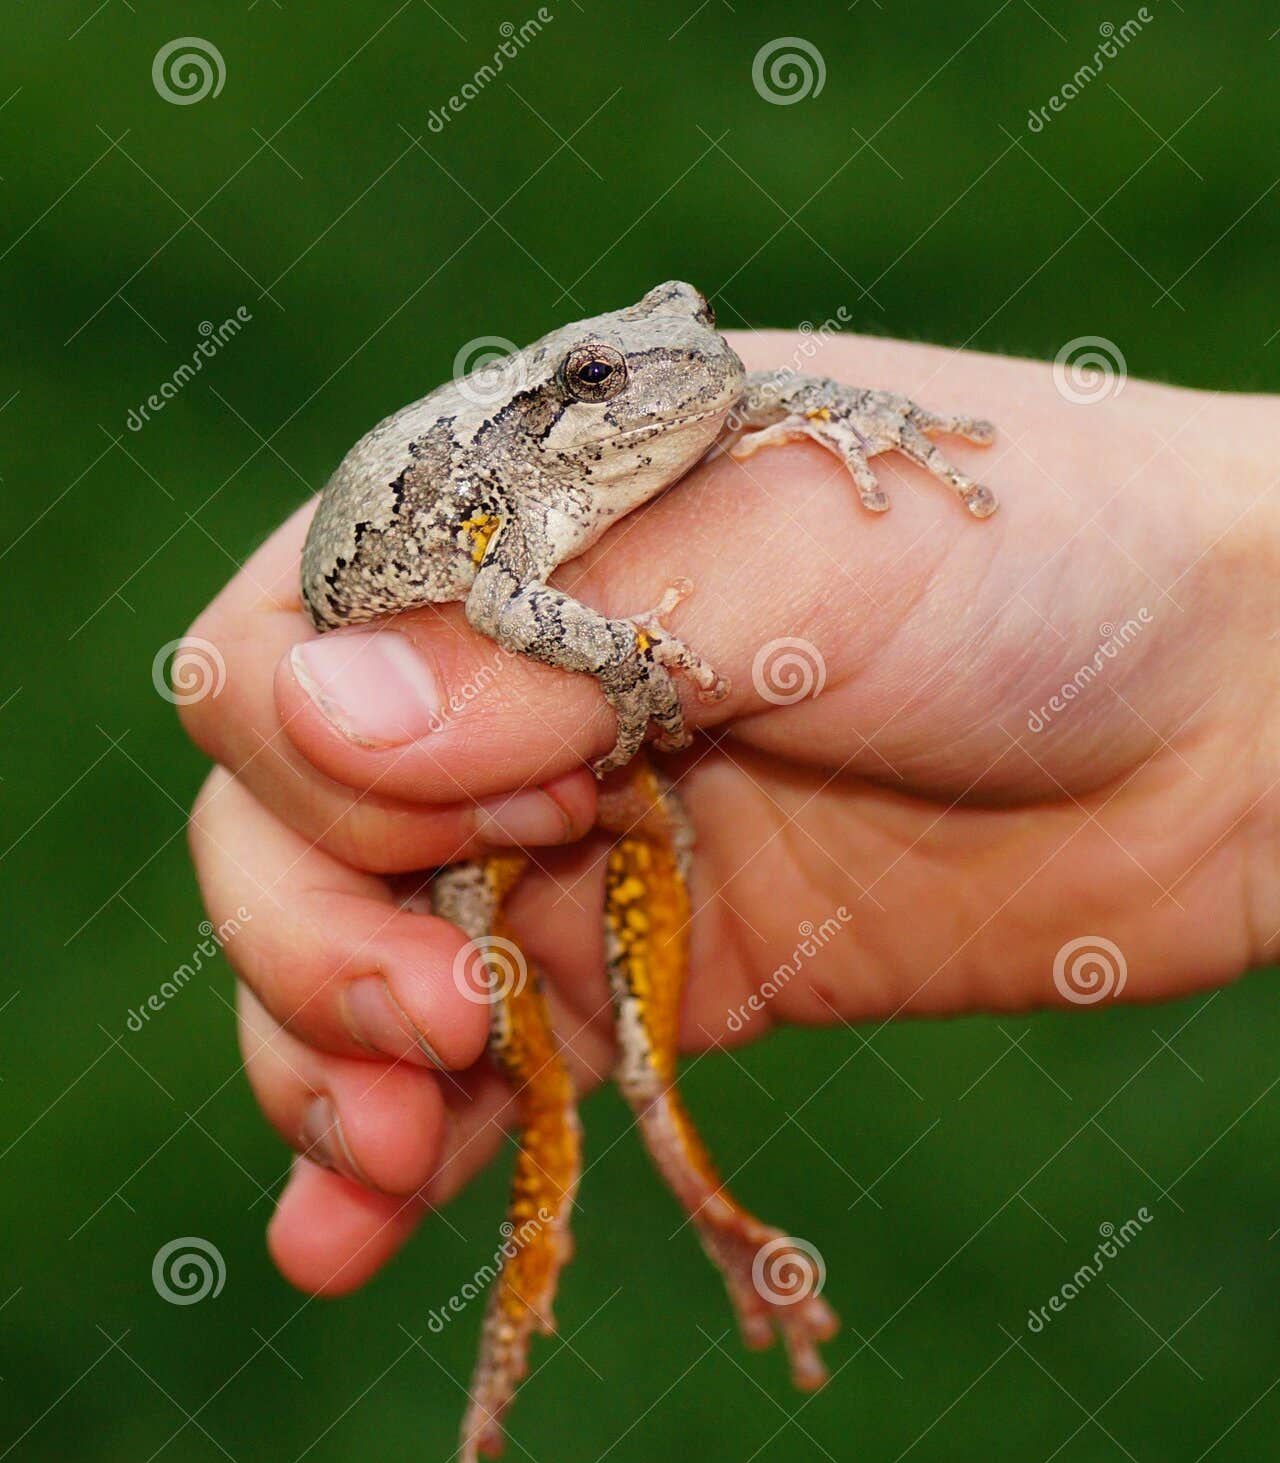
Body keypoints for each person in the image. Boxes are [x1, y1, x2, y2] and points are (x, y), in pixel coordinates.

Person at [176, 329, 1278, 1297]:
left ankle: (609, 1196)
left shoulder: (667, 407)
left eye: (690, 326)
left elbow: (738, 389)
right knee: (464, 985)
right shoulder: (515, 484)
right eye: (604, 376)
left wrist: (852, 407)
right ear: (558, 402)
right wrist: (622, 648)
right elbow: (502, 602)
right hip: (395, 637)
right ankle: (552, 1246)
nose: (685, 365)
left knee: (470, 978)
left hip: (523, 775)